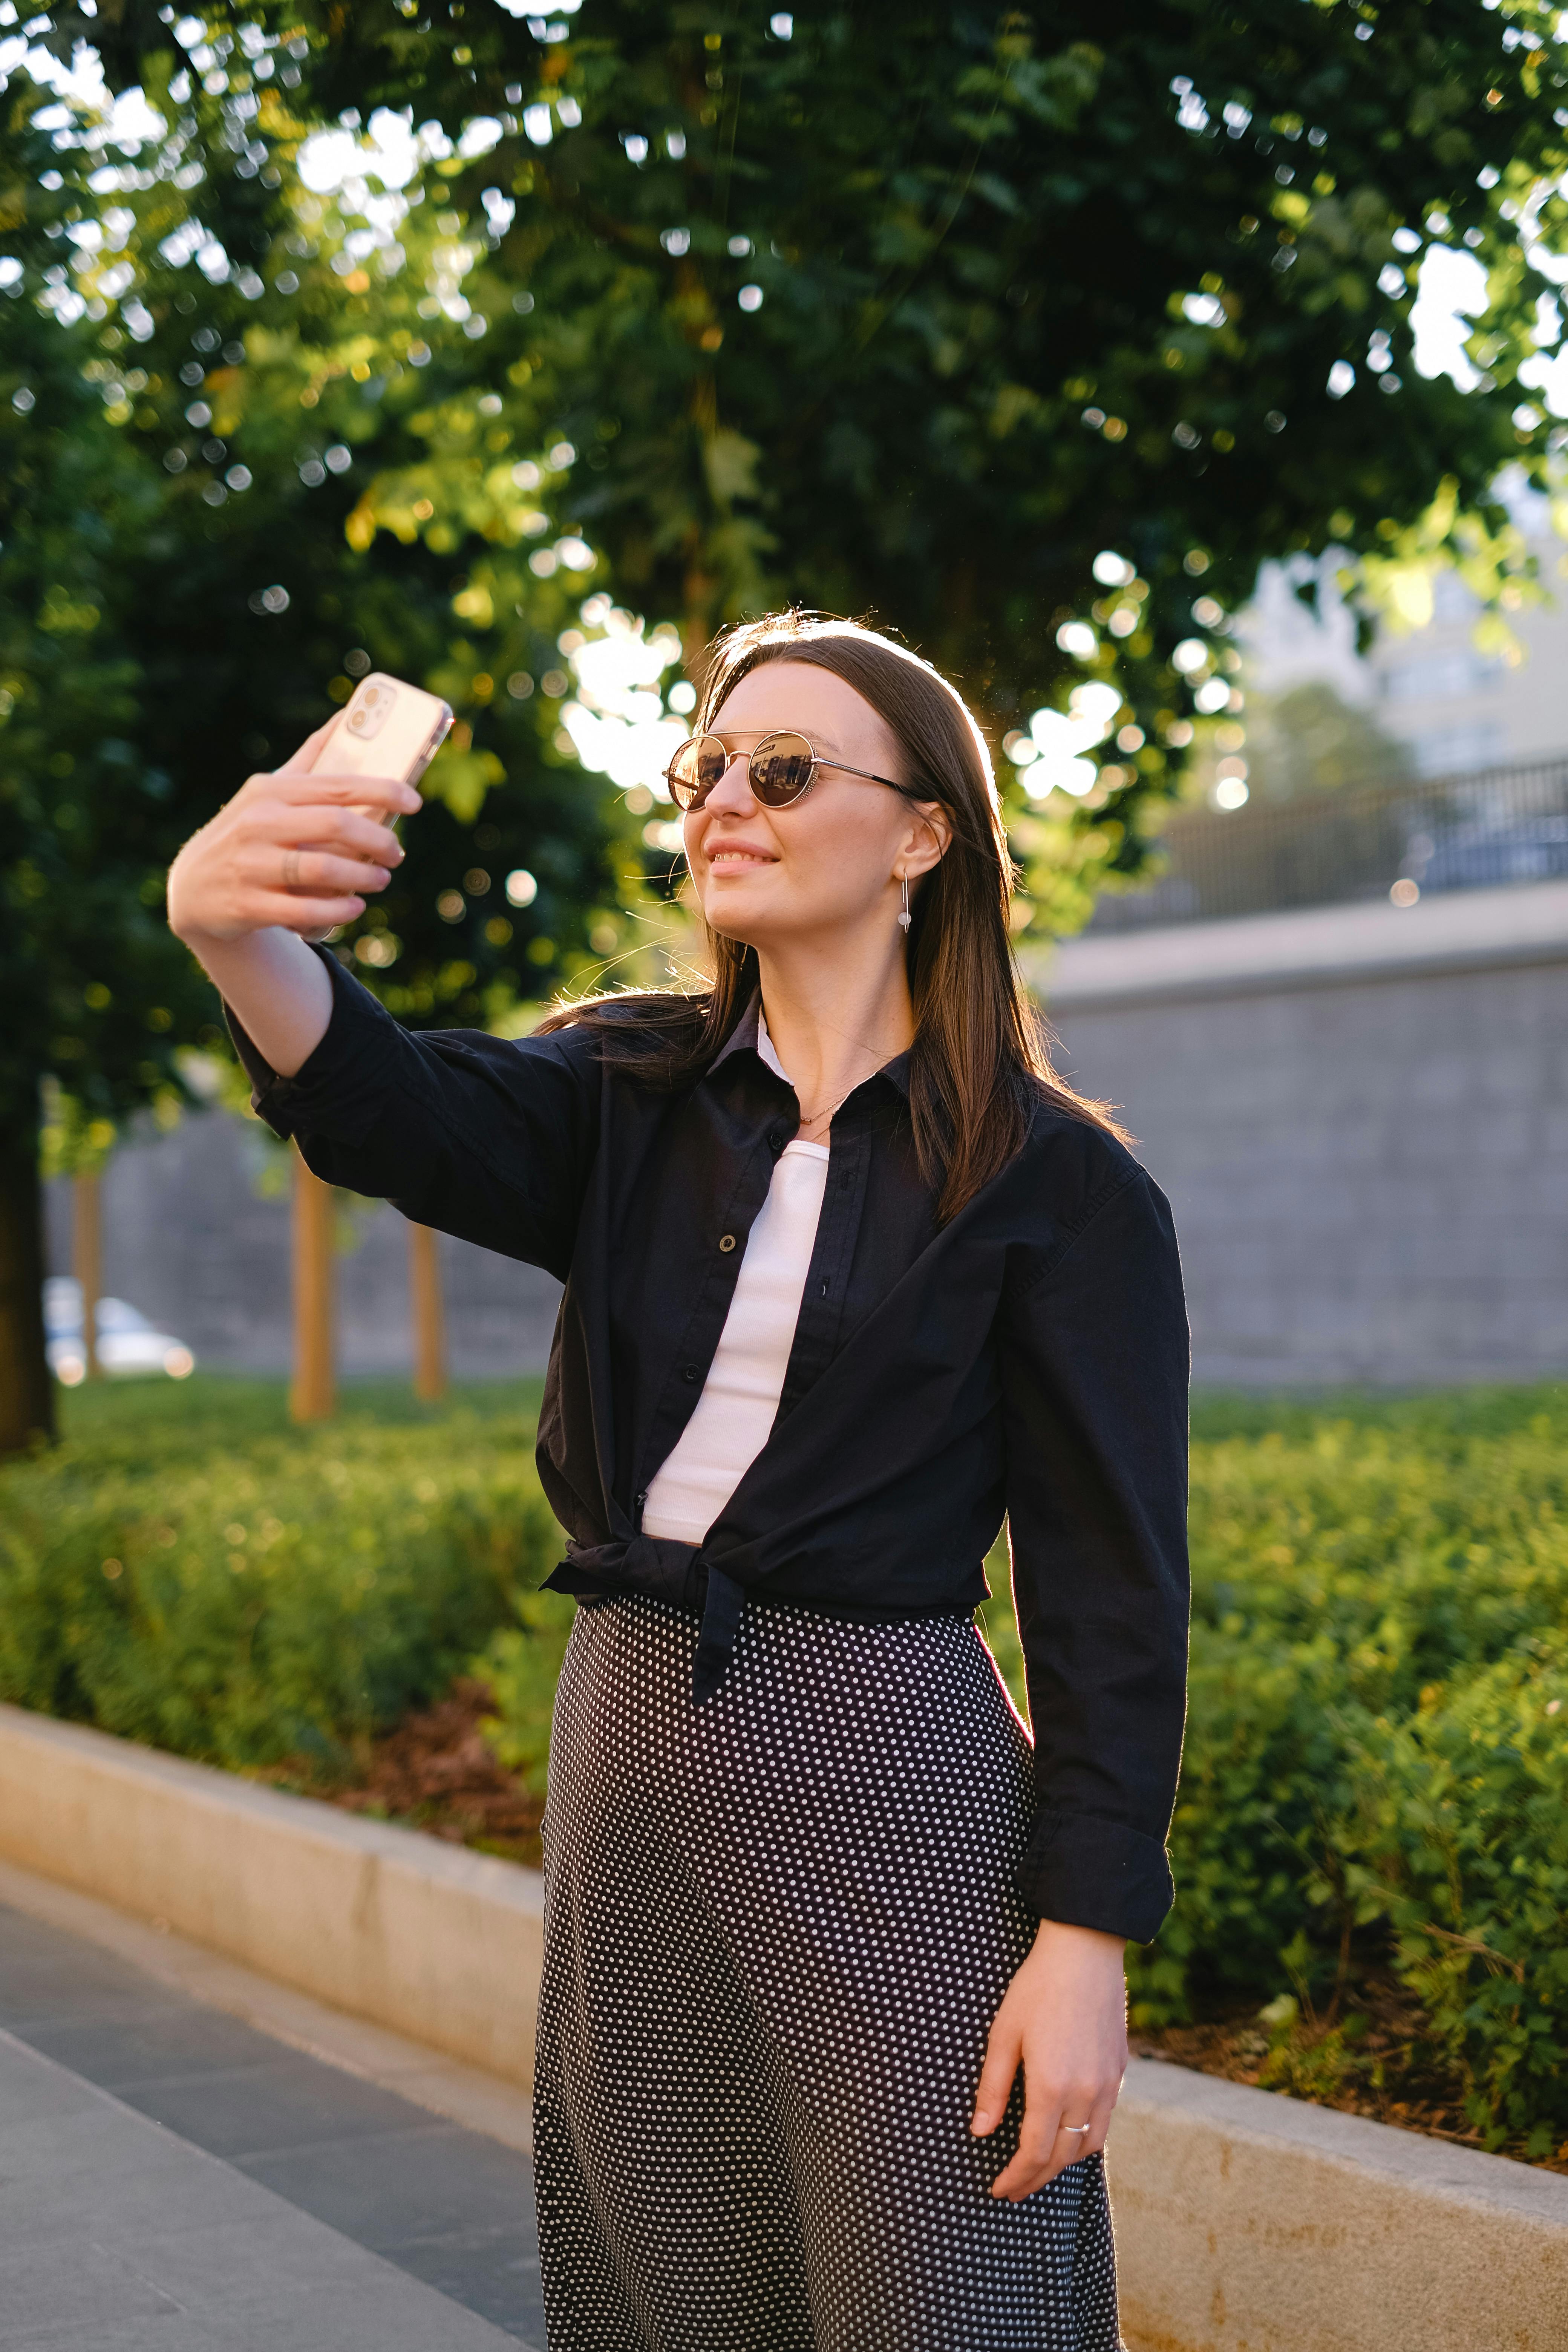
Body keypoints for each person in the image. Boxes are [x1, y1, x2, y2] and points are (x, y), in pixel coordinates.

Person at [167, 610, 1190, 2352]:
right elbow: (390, 1105)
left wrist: (1085, 1944)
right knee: (668, 2271)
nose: (725, 796)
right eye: (702, 766)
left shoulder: (1061, 1185)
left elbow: (1108, 1595)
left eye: (782, 769)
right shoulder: (625, 1089)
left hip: (886, 1768)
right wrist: (229, 926)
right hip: (630, 1730)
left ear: (924, 834)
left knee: (943, 2285)